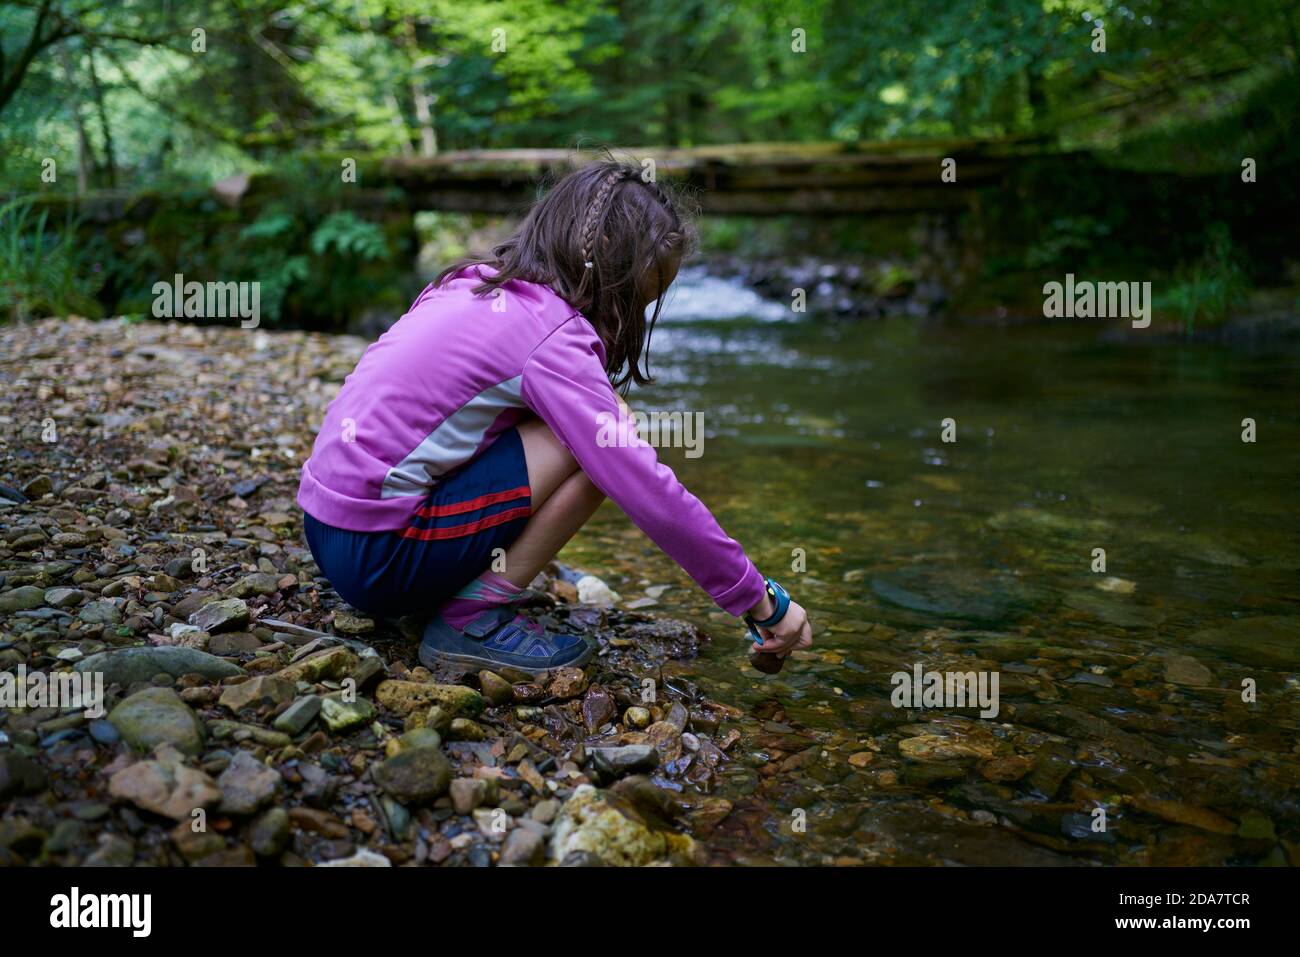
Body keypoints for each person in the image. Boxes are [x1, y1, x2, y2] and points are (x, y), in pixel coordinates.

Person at [297, 158, 813, 674]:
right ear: (613, 265)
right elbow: (646, 489)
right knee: (607, 444)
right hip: (379, 559)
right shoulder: (551, 336)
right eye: (639, 297)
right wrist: (757, 598)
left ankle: (453, 582)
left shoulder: (471, 282)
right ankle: (469, 617)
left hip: (327, 531)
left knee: (597, 427)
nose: (635, 314)